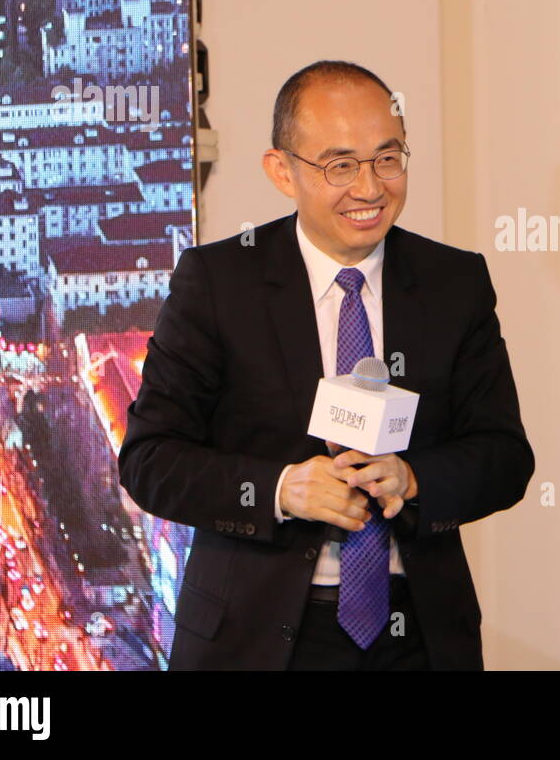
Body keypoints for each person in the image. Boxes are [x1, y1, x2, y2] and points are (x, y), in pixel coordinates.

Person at [120, 60, 533, 670]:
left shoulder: (455, 283)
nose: (369, 188)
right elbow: (150, 459)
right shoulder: (218, 282)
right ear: (281, 171)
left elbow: (504, 457)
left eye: (387, 159)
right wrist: (282, 489)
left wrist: (413, 479)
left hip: (416, 633)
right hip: (256, 637)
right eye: (340, 165)